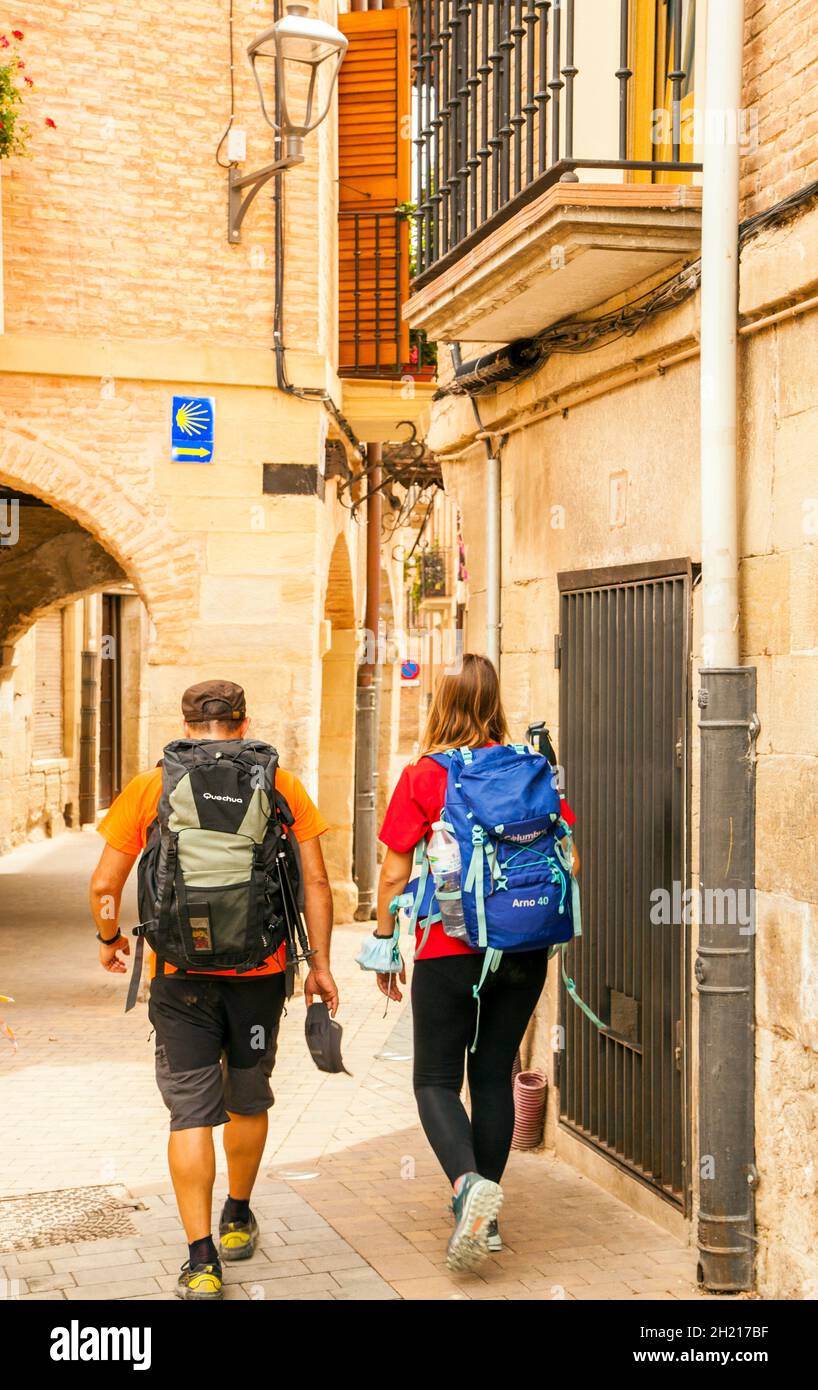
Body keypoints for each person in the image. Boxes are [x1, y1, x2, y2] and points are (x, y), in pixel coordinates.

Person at [89, 679, 338, 1301]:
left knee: (190, 1112)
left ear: (184, 721)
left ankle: (200, 1261)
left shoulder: (152, 787)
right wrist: (320, 963)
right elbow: (317, 883)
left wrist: (109, 937)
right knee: (247, 1098)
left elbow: (102, 884)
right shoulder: (278, 784)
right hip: (259, 971)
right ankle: (236, 1218)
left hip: (180, 977)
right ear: (244, 719)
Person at [374, 655, 578, 1272]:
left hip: (451, 949)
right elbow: (570, 855)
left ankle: (467, 1187)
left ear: (441, 705)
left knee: (434, 1077)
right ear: (496, 705)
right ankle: (486, 1223)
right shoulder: (533, 769)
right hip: (524, 947)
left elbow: (393, 868)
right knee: (491, 1073)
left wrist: (385, 944)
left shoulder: (426, 775)